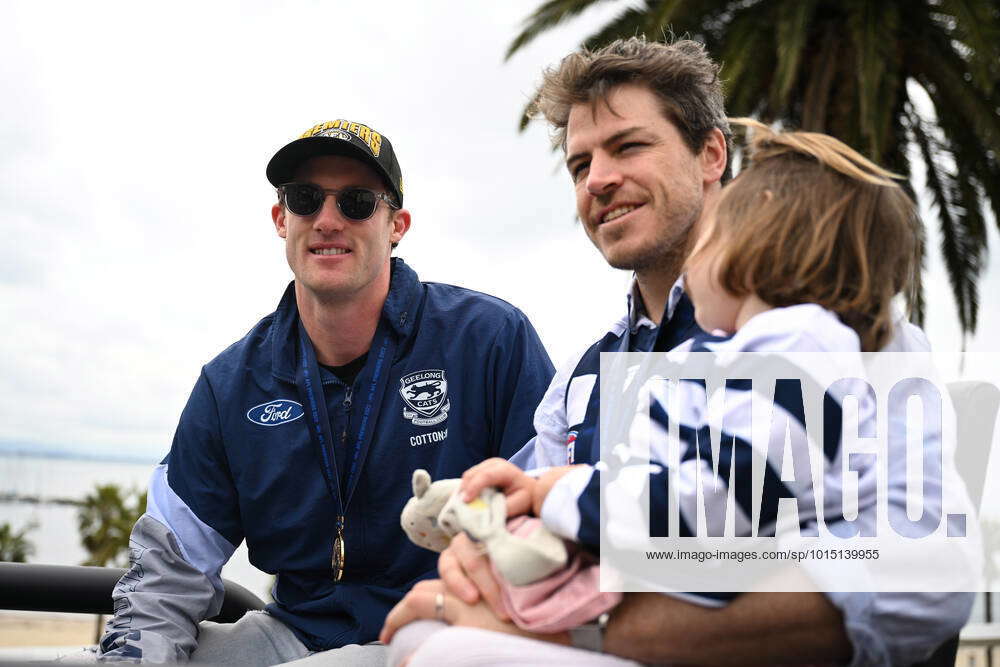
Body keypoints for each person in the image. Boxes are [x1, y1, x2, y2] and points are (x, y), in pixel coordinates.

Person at [381, 39, 975, 666]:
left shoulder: (837, 330)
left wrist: (559, 630)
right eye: (580, 166)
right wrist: (478, 554)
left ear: (711, 153)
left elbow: (924, 573)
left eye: (628, 146)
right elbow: (525, 515)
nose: (599, 180)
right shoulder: (581, 382)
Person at [96, 119, 554, 665]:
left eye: (358, 202)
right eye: (306, 199)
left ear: (396, 225)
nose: (328, 220)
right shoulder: (231, 384)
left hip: (453, 630)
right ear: (280, 218)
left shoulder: (489, 341)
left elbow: (549, 519)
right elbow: (166, 579)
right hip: (297, 634)